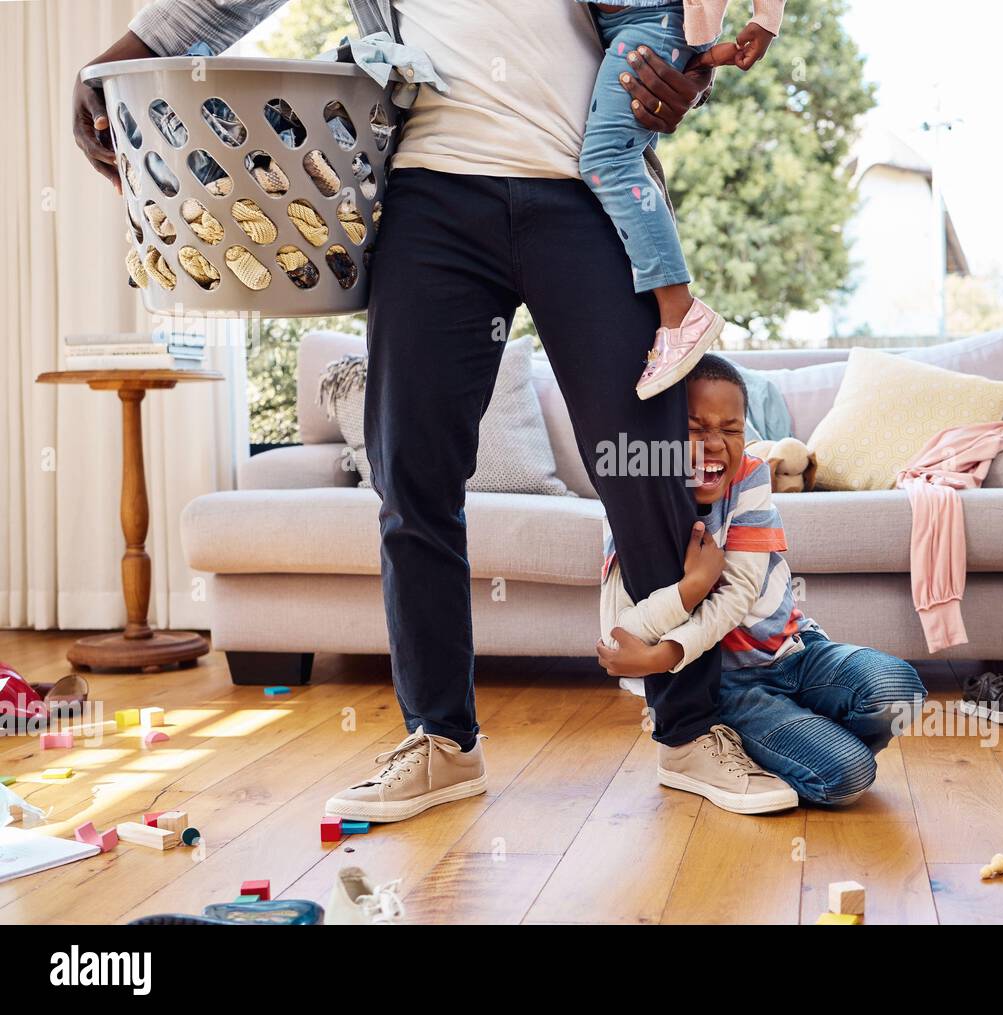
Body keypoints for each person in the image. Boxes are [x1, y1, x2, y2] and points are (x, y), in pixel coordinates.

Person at [74, 0, 796, 820]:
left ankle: (692, 729)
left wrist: (690, 73)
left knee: (647, 463)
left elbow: (653, 19)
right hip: (430, 197)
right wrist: (120, 55)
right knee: (411, 475)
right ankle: (441, 741)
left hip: (584, 192)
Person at [598, 355, 928, 805]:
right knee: (848, 776)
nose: (715, 443)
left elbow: (739, 595)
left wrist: (665, 654)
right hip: (732, 686)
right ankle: (775, 735)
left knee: (898, 690)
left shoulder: (750, 474)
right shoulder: (636, 499)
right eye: (696, 428)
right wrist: (691, 587)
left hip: (796, 651)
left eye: (731, 429)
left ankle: (797, 731)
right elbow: (621, 633)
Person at [577, 1, 783, 399]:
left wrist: (766, 18)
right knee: (619, 151)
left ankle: (679, 312)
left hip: (650, 17)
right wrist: (700, 57)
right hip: (614, 23)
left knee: (607, 159)